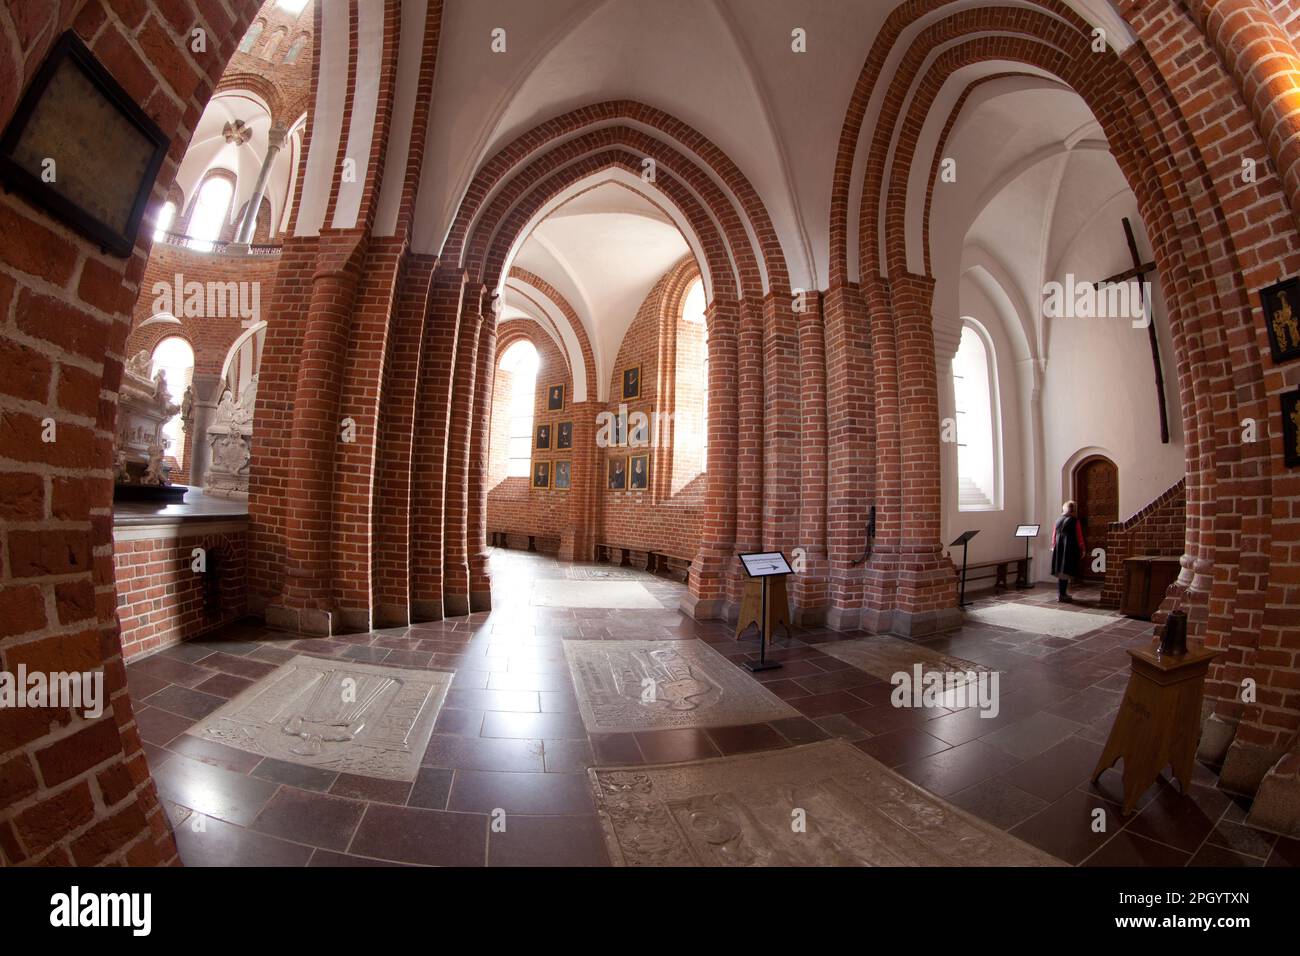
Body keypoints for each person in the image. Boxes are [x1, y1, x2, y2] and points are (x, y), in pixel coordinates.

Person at [1050, 500, 1086, 602]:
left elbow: (1054, 535)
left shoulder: (1058, 520)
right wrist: (1083, 548)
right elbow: (1079, 536)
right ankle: (1062, 595)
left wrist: (1053, 546)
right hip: (1068, 548)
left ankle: (1062, 593)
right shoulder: (1074, 521)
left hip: (1058, 548)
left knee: (1061, 572)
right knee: (1065, 571)